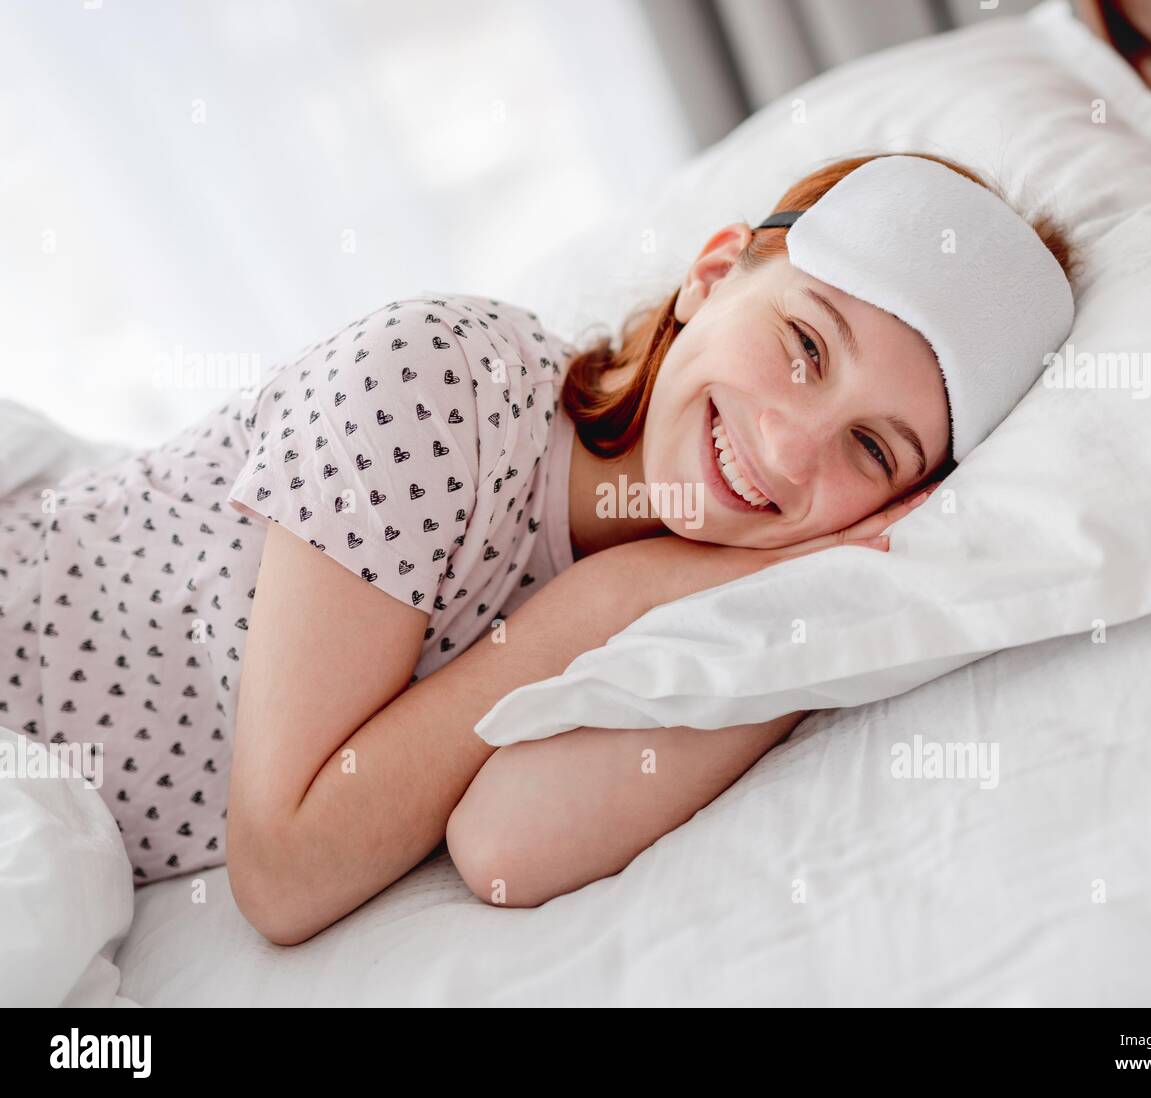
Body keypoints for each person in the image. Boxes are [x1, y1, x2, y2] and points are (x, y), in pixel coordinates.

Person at [0, 152, 1075, 944]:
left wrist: (822, 604)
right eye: (803, 345)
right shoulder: (434, 386)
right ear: (712, 273)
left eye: (872, 449)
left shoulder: (712, 580)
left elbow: (506, 848)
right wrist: (596, 607)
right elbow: (285, 872)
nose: (791, 450)